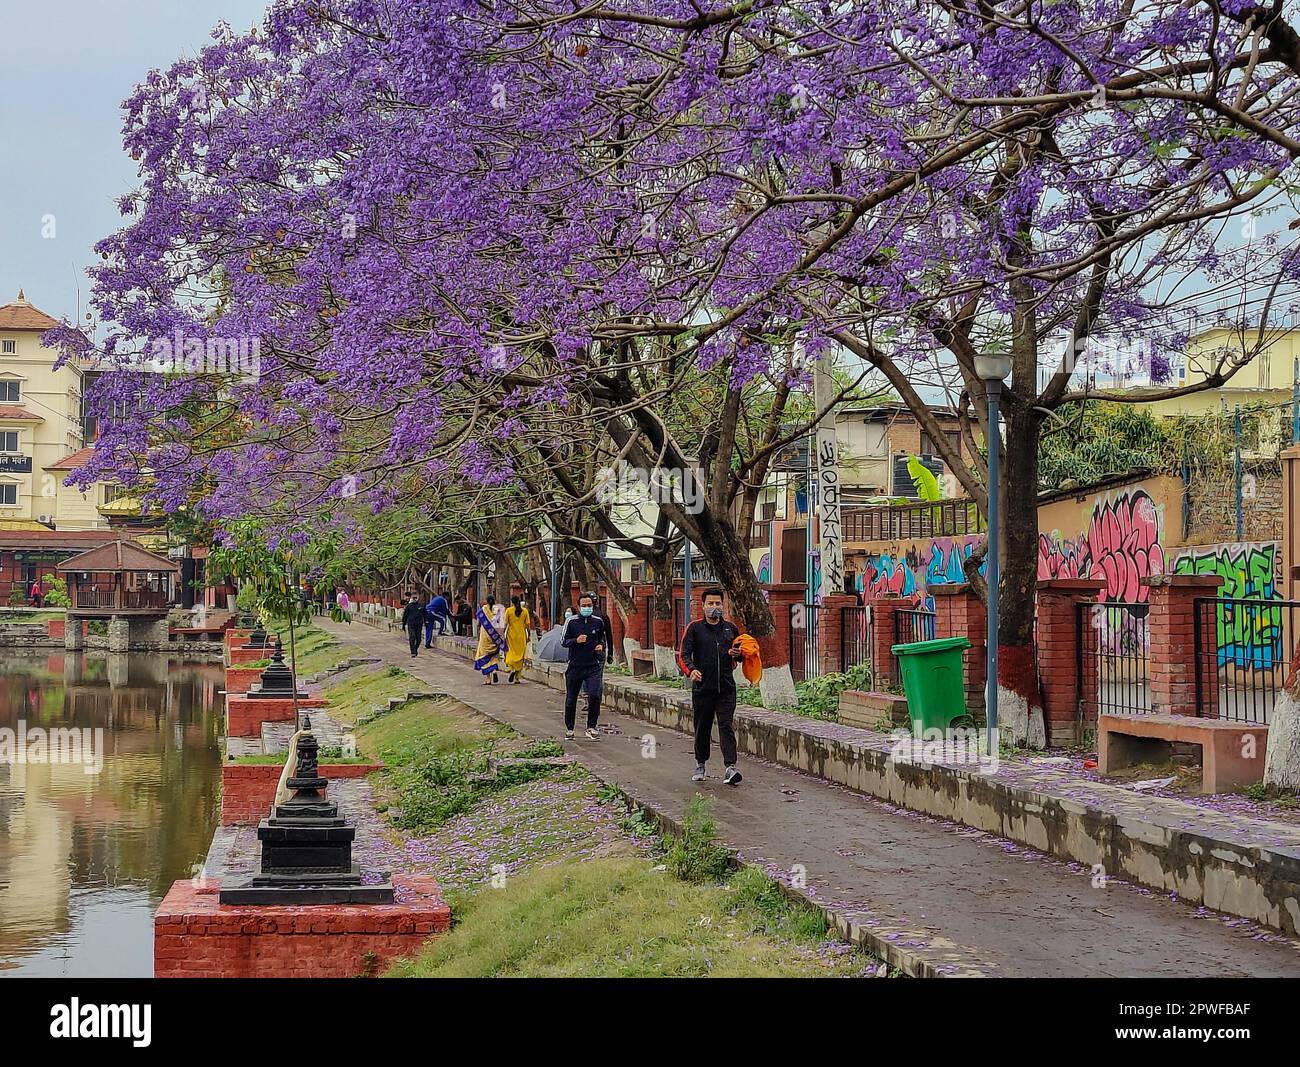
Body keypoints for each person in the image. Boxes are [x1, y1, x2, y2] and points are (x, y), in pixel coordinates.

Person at [678, 585, 744, 785]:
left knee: (726, 726)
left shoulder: (730, 629)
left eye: (718, 603)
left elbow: (741, 656)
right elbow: (683, 655)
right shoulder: (694, 628)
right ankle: (700, 763)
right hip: (702, 688)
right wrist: (691, 671)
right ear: (703, 605)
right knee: (702, 727)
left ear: (722, 605)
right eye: (710, 603)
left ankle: (730, 767)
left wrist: (737, 654)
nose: (714, 607)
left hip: (726, 687)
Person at [561, 591, 612, 741]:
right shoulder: (571, 622)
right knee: (571, 699)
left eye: (589, 605)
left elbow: (602, 638)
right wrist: (576, 640)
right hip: (575, 666)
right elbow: (563, 641)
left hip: (592, 666)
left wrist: (601, 646)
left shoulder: (598, 621)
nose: (586, 608)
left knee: (595, 695)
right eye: (583, 606)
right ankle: (570, 728)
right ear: (578, 607)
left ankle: (591, 727)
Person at [474, 595, 507, 683]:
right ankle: (494, 670)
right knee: (493, 655)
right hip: (495, 636)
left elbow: (478, 624)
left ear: (487, 601)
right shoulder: (498, 611)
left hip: (485, 635)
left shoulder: (482, 611)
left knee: (484, 655)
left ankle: (488, 679)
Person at [503, 595, 533, 683]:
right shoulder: (525, 611)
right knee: (520, 656)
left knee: (510, 652)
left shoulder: (509, 611)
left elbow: (505, 624)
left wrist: (502, 634)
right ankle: (517, 677)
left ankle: (511, 668)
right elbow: (527, 625)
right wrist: (529, 635)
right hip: (521, 636)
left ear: (512, 602)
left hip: (511, 635)